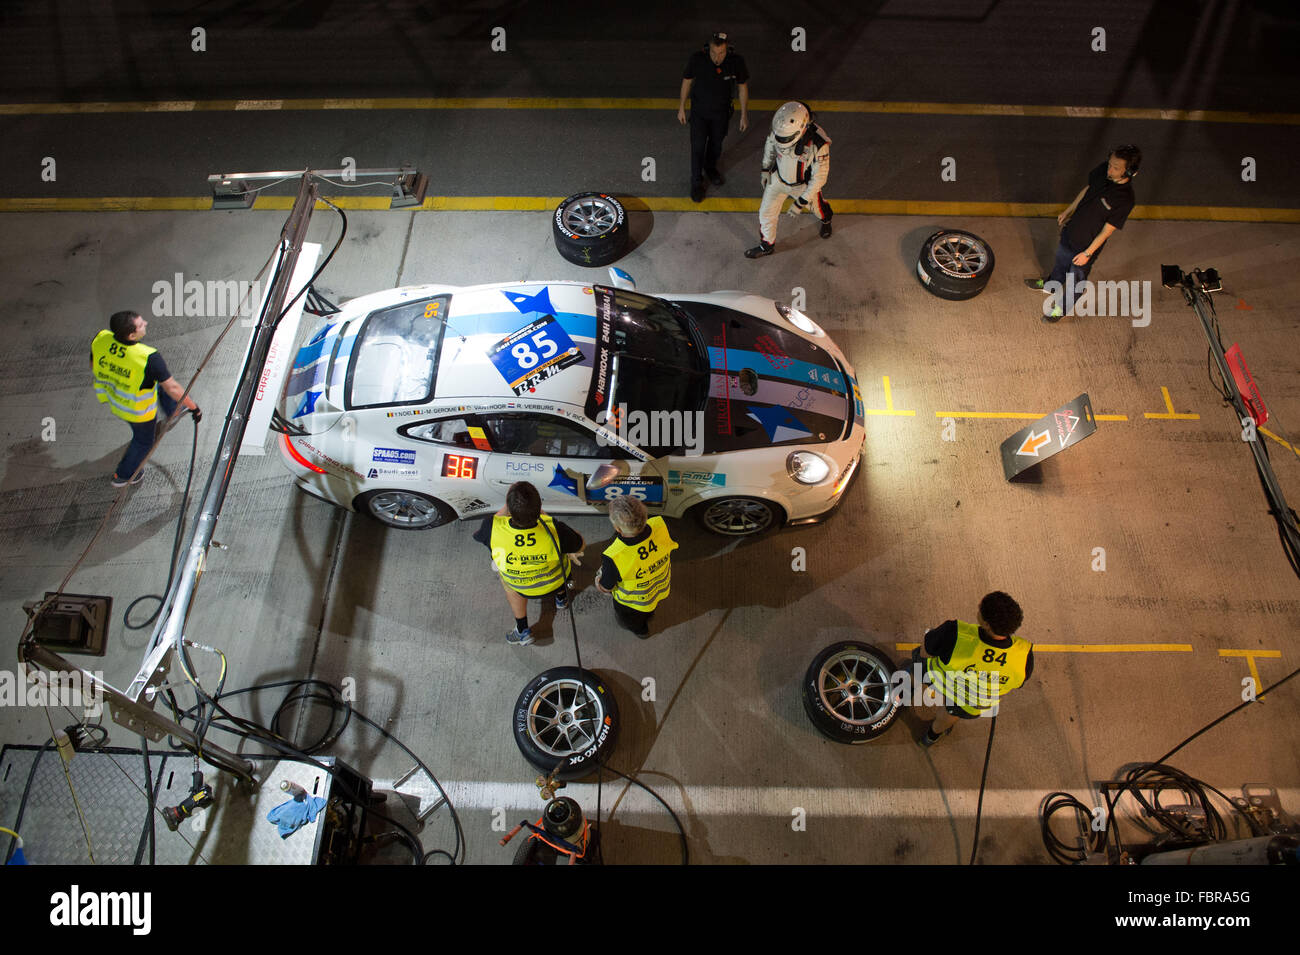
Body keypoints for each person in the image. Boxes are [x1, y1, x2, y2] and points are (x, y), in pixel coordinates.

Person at [1026, 145, 1141, 322]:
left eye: (1116, 168)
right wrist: (1069, 211)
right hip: (1070, 232)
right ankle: (1051, 285)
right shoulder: (1104, 170)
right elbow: (1088, 189)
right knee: (1060, 262)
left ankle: (1061, 309)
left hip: (1085, 246)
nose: (1109, 169)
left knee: (1076, 281)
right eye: (1110, 163)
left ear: (1130, 172)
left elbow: (1107, 230)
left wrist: (1087, 253)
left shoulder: (1125, 199)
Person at [91, 310, 201, 488]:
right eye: (141, 324)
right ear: (132, 335)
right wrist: (194, 407)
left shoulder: (102, 338)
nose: (146, 324)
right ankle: (124, 475)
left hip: (115, 396)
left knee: (153, 380)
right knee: (143, 441)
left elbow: (93, 362)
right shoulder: (148, 357)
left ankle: (173, 409)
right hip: (137, 411)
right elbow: (172, 387)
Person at [914, 591, 1034, 747]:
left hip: (936, 678)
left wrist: (919, 658)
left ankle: (908, 685)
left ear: (986, 624)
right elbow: (1017, 683)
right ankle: (931, 737)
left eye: (980, 609)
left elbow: (927, 649)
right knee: (950, 714)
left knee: (916, 664)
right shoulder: (1024, 655)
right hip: (972, 701)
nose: (978, 607)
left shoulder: (955, 632)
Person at [473, 481, 584, 646]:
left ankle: (522, 630)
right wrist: (546, 517)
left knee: (507, 582)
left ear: (509, 510)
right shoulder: (554, 528)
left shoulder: (492, 527)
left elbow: (480, 534)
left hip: (521, 586)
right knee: (561, 561)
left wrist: (507, 508)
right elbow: (580, 544)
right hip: (556, 580)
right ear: (539, 506)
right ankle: (561, 600)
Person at [745, 101, 832, 258]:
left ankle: (826, 221)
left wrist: (801, 202)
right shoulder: (781, 128)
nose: (782, 142)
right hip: (778, 179)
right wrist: (765, 168)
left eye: (786, 139)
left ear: (803, 128)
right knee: (766, 213)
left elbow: (819, 177)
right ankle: (767, 245)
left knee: (819, 210)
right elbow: (771, 143)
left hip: (802, 186)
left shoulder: (819, 144)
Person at [678, 31, 750, 203]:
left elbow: (742, 88)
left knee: (716, 145)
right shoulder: (697, 60)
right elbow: (687, 81)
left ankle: (710, 168)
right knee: (697, 147)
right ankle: (696, 183)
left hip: (721, 113)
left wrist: (744, 115)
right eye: (714, 53)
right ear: (707, 49)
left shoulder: (736, 62)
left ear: (728, 50)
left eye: (721, 53)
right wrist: (681, 107)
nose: (718, 57)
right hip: (699, 113)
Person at [595, 496, 677, 637]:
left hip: (631, 604)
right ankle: (649, 615)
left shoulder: (614, 556)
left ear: (617, 528)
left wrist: (598, 580)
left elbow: (606, 587)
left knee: (633, 621)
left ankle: (641, 631)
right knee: (649, 610)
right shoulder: (661, 525)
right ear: (645, 516)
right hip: (658, 591)